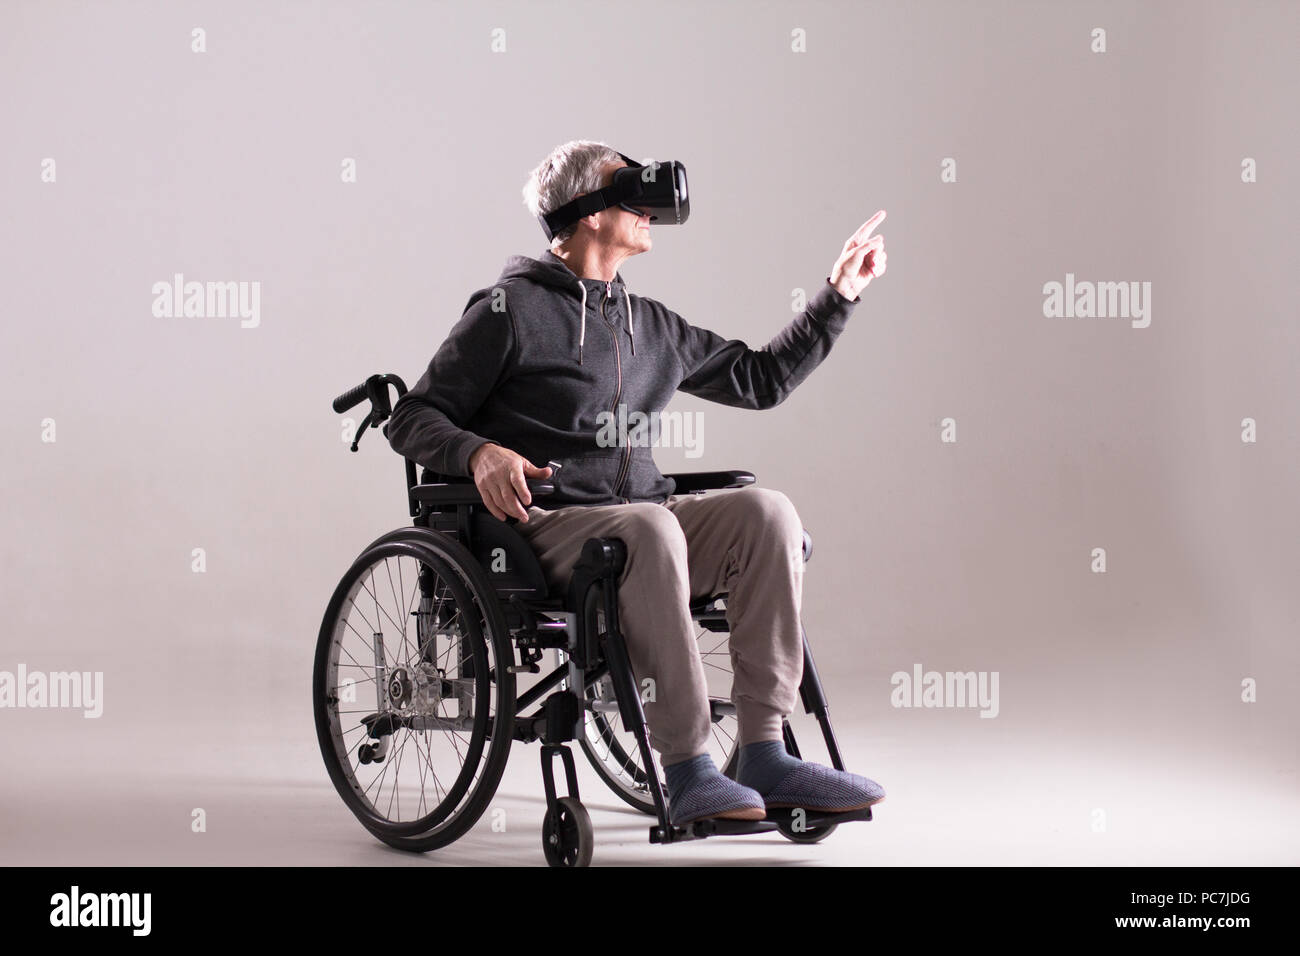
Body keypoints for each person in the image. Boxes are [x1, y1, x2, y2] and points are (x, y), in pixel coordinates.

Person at [384, 140, 889, 826]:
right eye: (632, 194)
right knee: (647, 528)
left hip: (639, 519)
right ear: (589, 212)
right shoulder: (509, 310)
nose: (651, 210)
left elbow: (762, 379)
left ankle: (764, 752)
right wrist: (477, 454)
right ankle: (686, 767)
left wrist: (838, 296)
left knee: (766, 512)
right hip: (542, 527)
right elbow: (413, 415)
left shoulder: (646, 324)